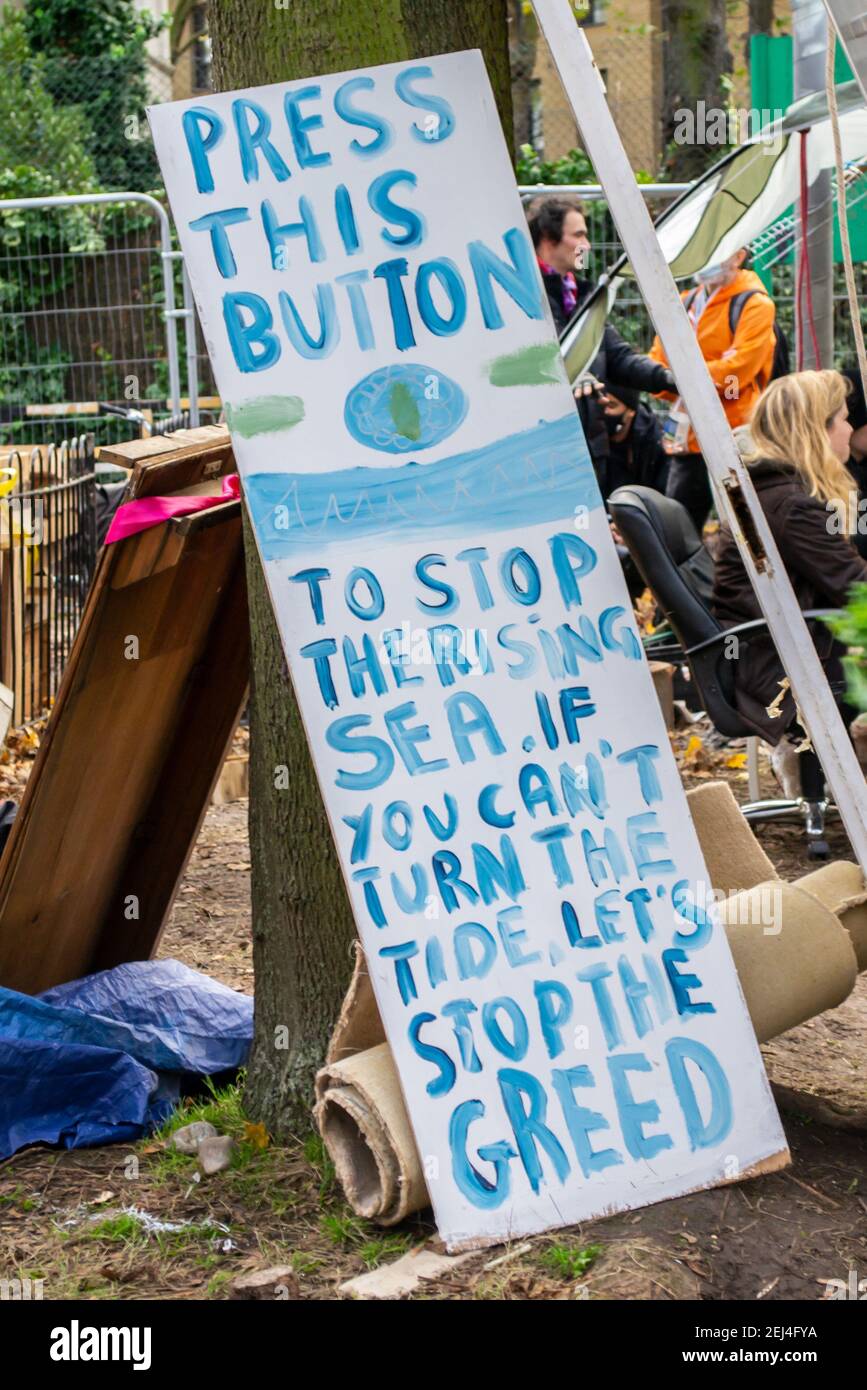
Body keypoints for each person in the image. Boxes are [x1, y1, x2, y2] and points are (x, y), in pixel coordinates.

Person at [713, 370, 867, 789]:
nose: (850, 429)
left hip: (768, 650)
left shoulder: (775, 490)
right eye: (843, 418)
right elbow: (859, 592)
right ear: (818, 430)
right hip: (779, 663)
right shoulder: (792, 505)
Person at [526, 196, 675, 476]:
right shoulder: (523, 296)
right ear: (548, 237)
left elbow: (619, 356)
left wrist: (669, 378)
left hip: (591, 446)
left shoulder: (583, 297)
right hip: (544, 447)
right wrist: (575, 374)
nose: (587, 245)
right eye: (579, 235)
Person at [649, 249, 777, 534]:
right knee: (679, 530)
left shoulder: (755, 304)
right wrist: (711, 371)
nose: (706, 258)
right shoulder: (683, 302)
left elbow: (738, 370)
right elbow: (657, 367)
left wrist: (682, 374)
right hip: (689, 438)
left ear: (739, 256)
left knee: (743, 530)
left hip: (735, 437)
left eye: (718, 250)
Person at [596, 384, 669, 501]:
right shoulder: (589, 436)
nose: (605, 412)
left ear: (631, 411)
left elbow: (662, 495)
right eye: (600, 405)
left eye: (611, 405)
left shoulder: (653, 441)